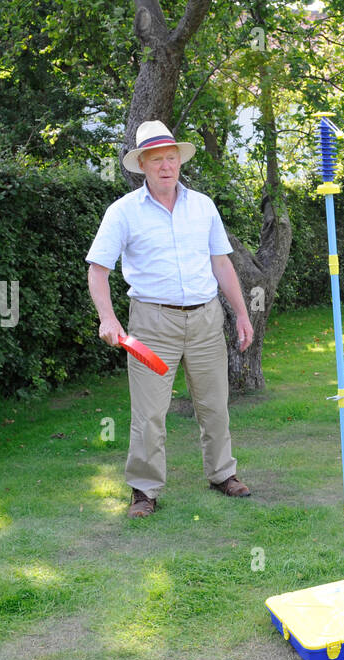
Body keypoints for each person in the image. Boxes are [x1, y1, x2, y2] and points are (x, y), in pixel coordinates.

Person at [85, 120, 254, 518]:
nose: (166, 166)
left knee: (214, 405)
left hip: (206, 321)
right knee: (149, 413)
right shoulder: (123, 212)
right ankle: (144, 492)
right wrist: (108, 319)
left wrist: (242, 314)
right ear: (142, 165)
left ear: (180, 161)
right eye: (157, 159)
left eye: (171, 158)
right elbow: (97, 269)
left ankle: (222, 474)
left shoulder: (203, 206)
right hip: (151, 325)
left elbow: (221, 263)